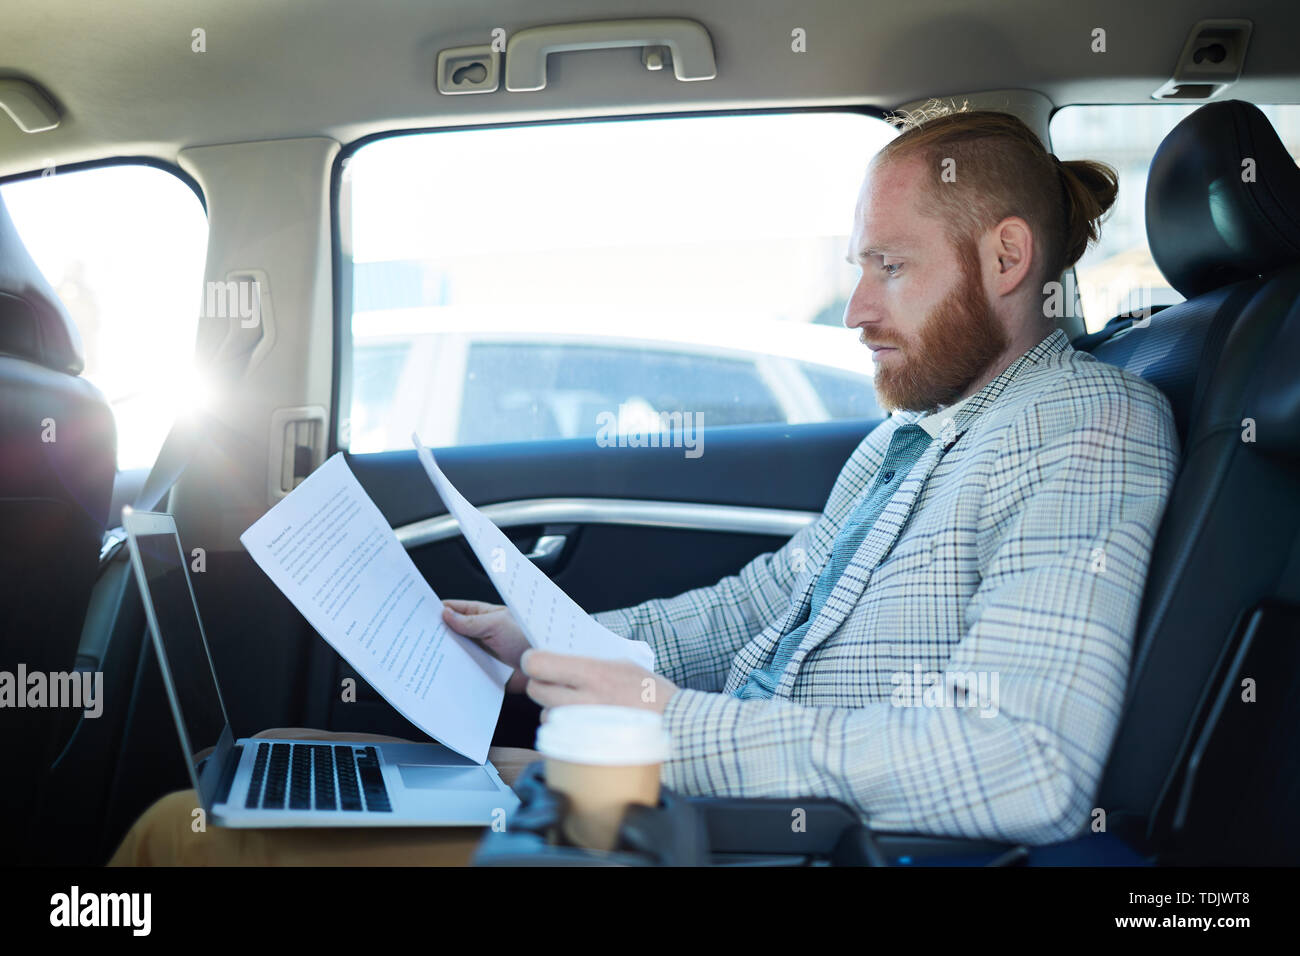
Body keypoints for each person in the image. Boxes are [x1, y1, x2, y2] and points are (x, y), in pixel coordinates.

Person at [109, 101, 1179, 865]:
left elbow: (1022, 762)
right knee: (284, 761)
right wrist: (550, 650)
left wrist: (664, 723)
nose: (854, 309)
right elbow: (755, 606)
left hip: (761, 835)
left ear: (1004, 258)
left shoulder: (1083, 426)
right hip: (686, 795)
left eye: (887, 267)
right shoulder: (910, 441)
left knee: (183, 831)